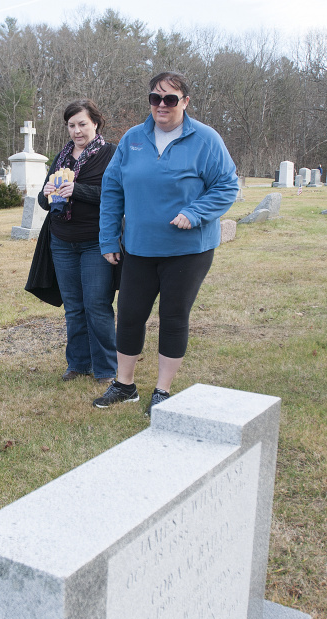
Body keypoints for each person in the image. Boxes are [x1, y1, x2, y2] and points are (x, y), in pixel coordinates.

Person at [95, 71, 239, 416]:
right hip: (140, 247)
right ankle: (125, 385)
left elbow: (227, 186)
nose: (162, 105)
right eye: (155, 98)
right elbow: (112, 188)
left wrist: (196, 212)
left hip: (188, 250)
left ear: (185, 102)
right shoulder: (132, 139)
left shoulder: (205, 139)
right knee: (129, 316)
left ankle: (162, 390)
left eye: (170, 99)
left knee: (173, 316)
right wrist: (108, 237)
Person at [35, 99, 118, 383]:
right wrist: (47, 192)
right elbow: (42, 202)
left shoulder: (110, 155)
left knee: (97, 304)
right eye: (71, 125)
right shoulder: (62, 157)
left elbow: (116, 196)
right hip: (61, 241)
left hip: (96, 241)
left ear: (96, 122)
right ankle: (78, 364)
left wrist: (77, 190)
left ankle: (106, 369)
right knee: (74, 306)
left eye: (82, 124)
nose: (77, 131)